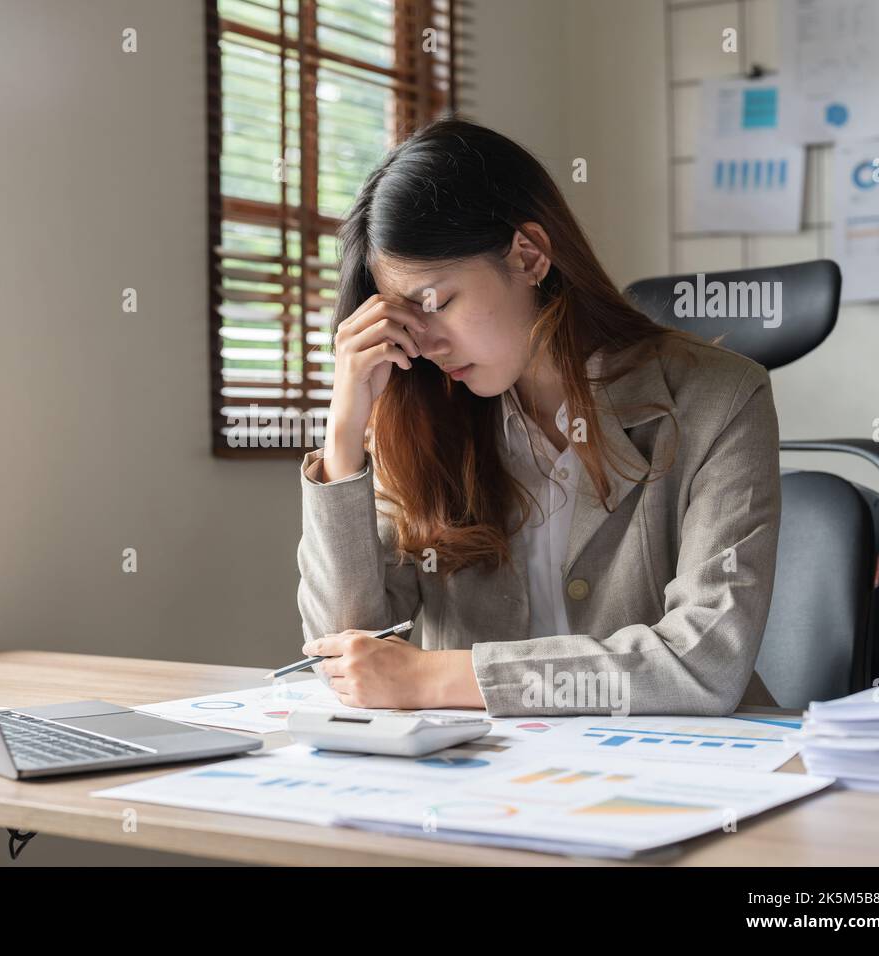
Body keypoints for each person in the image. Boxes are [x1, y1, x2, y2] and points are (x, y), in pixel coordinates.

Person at [296, 117, 781, 717]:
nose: (425, 344)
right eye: (405, 318)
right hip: (489, 781)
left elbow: (708, 661)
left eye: (438, 303)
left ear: (529, 256)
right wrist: (343, 438)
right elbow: (348, 655)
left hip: (687, 775)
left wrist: (434, 678)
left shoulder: (723, 397)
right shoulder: (423, 414)